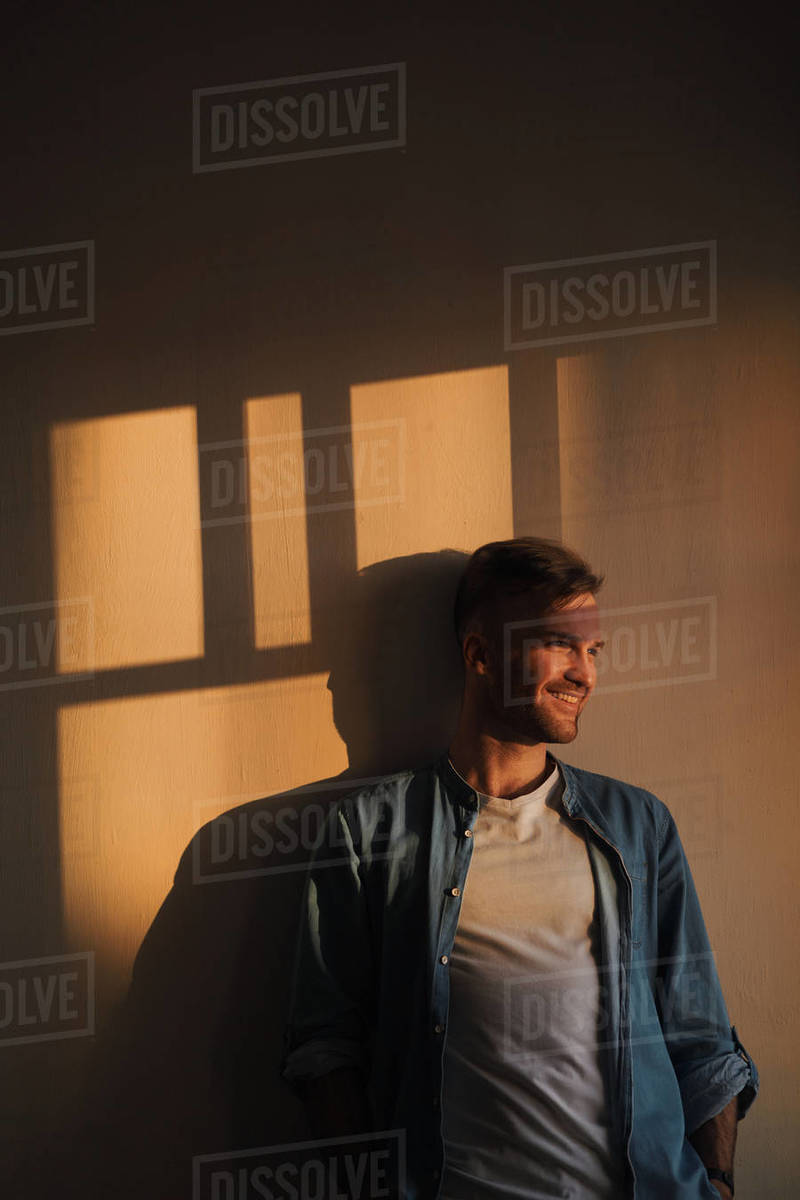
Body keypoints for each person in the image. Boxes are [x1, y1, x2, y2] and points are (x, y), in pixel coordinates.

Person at [280, 537, 758, 1199]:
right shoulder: (369, 832)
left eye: (592, 652)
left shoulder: (638, 826)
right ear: (478, 654)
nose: (584, 673)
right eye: (560, 643)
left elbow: (700, 1040)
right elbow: (325, 1048)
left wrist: (720, 1181)